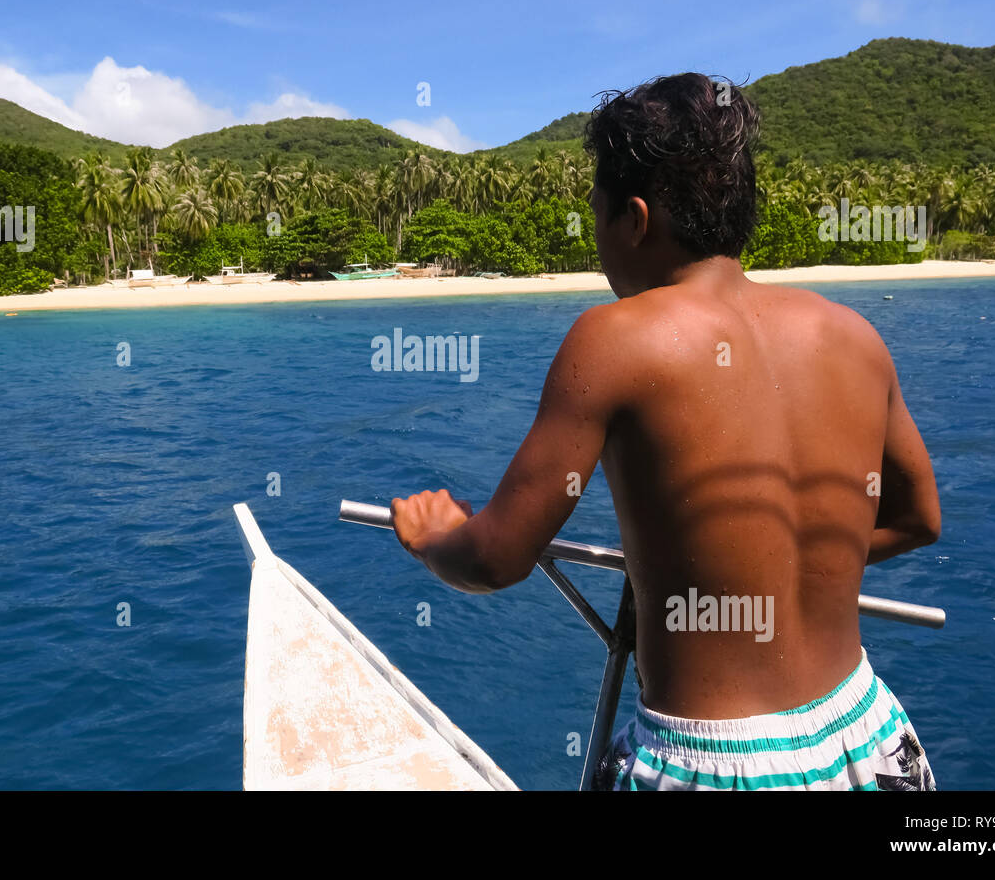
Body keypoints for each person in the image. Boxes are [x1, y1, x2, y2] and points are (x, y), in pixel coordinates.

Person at [390, 73, 940, 791]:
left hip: (714, 765)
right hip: (869, 735)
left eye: (597, 216)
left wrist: (432, 536)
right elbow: (918, 519)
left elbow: (496, 558)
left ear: (636, 219)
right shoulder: (853, 336)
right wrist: (773, 575)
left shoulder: (614, 341)